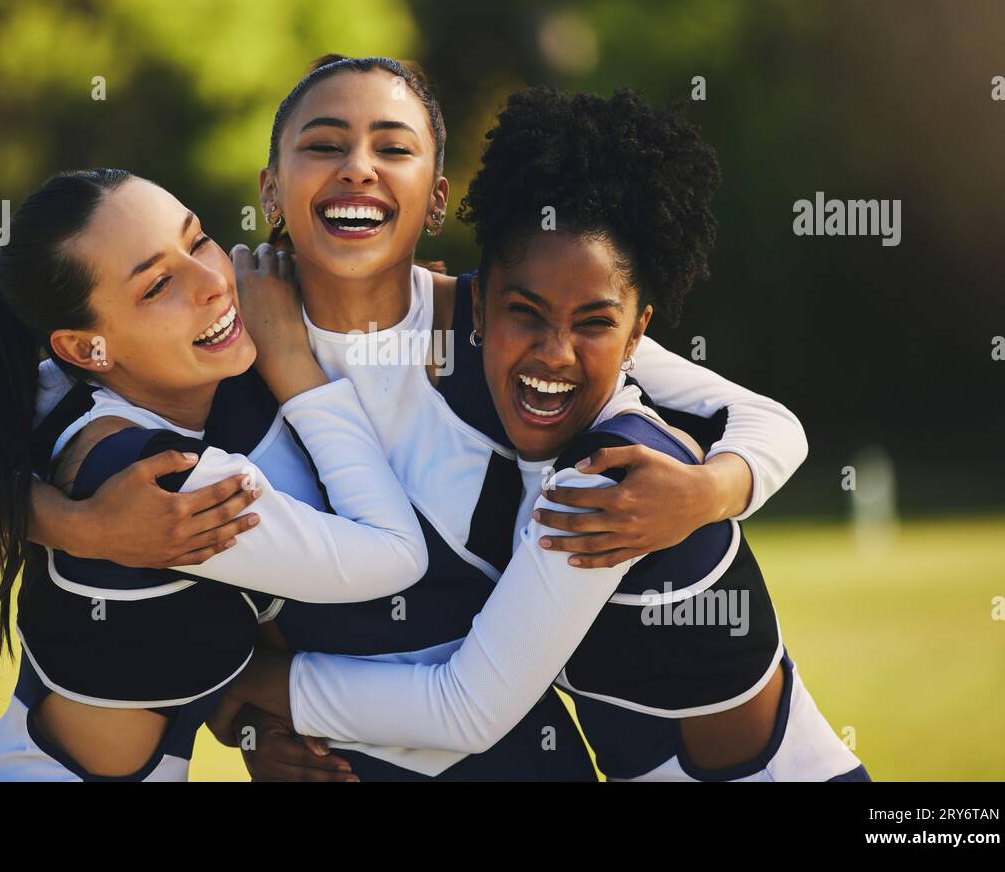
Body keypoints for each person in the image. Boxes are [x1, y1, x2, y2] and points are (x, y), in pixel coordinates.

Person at [213, 88, 869, 782]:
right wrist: (252, 723)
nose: (556, 350)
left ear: (634, 333)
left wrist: (711, 489)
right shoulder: (504, 333)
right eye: (325, 143)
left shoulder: (612, 476)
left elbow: (463, 706)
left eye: (393, 145)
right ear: (480, 305)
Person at [0, 168, 426, 781]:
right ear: (88, 349)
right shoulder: (159, 484)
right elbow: (397, 555)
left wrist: (251, 728)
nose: (213, 283)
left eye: (197, 241)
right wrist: (296, 367)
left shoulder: (76, 393)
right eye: (157, 285)